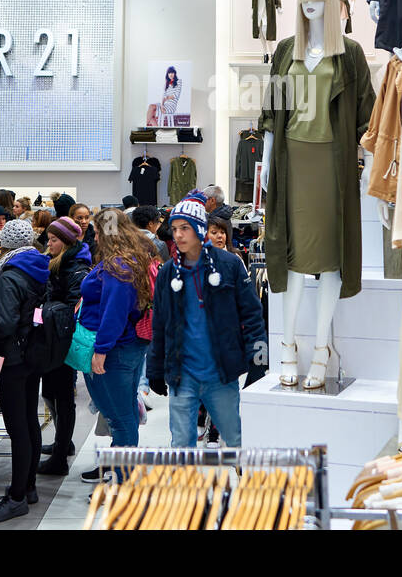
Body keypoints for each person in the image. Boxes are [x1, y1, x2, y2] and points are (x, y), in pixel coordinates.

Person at [148, 192, 267, 449]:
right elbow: (159, 323)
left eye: (185, 228)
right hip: (182, 374)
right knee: (181, 442)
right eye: (175, 229)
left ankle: (245, 483)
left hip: (221, 374)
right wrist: (155, 369)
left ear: (200, 229)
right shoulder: (168, 272)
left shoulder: (229, 265)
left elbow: (252, 314)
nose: (178, 235)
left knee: (235, 438)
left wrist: (259, 360)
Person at [0, 219, 51, 523]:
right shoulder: (39, 265)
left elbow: (4, 324)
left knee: (16, 427)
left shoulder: (8, 275)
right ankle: (28, 485)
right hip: (32, 352)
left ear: (5, 242)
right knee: (30, 421)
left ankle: (17, 497)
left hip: (11, 357)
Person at [77, 207, 153, 479]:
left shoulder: (119, 265)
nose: (94, 238)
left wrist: (101, 350)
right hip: (126, 347)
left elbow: (114, 312)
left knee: (121, 419)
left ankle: (123, 481)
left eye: (97, 232)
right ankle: (117, 470)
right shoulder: (128, 259)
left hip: (117, 350)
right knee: (124, 415)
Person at [38, 216, 91, 475]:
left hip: (63, 340)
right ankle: (63, 442)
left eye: (54, 240)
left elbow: (73, 307)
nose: (50, 244)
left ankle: (60, 456)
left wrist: (48, 310)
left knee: (62, 397)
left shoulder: (77, 267)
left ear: (67, 241)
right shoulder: (60, 263)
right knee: (51, 392)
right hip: (54, 338)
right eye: (49, 239)